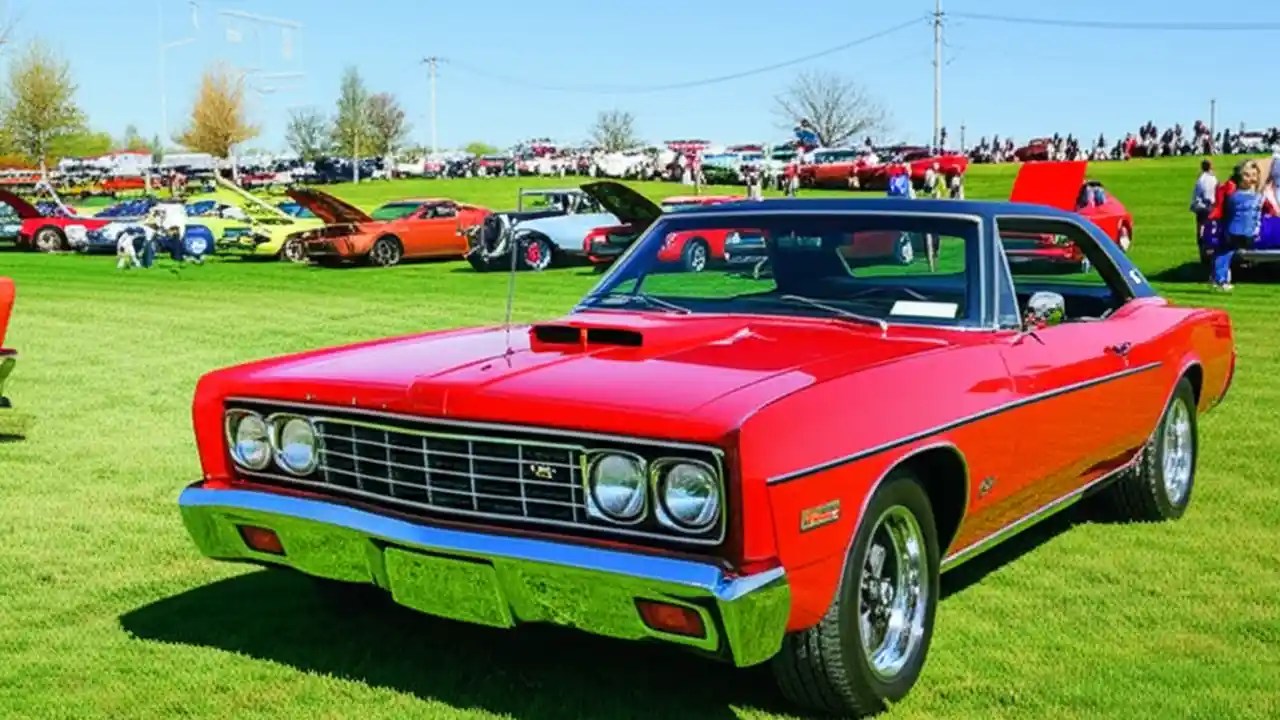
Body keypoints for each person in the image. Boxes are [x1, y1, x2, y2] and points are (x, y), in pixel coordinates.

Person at [1216, 160, 1274, 291]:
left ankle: (1220, 279)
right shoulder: (1257, 197)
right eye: (1248, 175)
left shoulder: (1235, 196)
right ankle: (1220, 279)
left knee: (1224, 252)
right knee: (1226, 251)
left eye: (1254, 175)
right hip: (1248, 232)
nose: (1252, 178)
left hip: (1239, 232)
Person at [1190, 159, 1218, 246]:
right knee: (1211, 226)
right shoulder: (1213, 179)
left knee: (1201, 226)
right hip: (1211, 205)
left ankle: (1201, 242)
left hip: (1201, 205)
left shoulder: (1201, 179)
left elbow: (1197, 193)